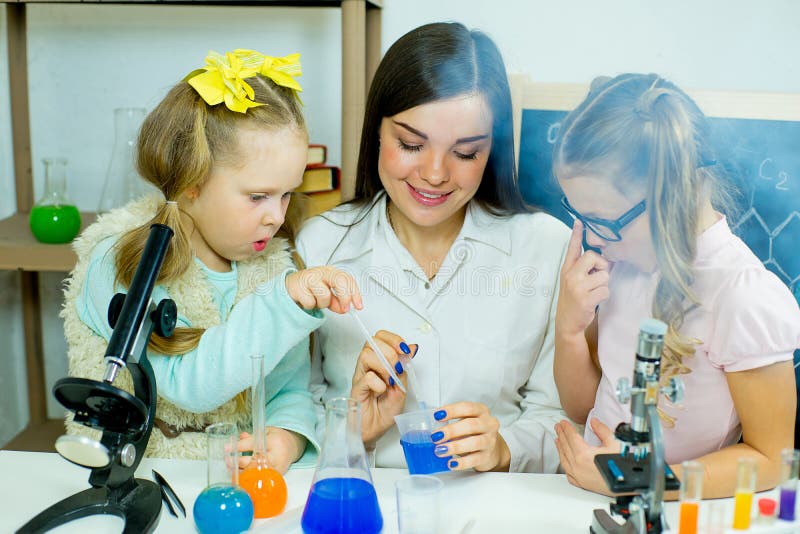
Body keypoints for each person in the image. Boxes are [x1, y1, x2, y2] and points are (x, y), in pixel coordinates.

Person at [61, 49, 362, 472]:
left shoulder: (271, 268)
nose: (277, 216)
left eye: (287, 193)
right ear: (191, 184)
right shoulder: (122, 261)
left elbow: (286, 391)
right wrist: (283, 304)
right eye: (258, 196)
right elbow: (189, 384)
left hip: (225, 485)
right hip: (131, 474)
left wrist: (287, 438)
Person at [296, 22, 571, 473]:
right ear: (377, 133)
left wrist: (505, 449)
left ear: (493, 151)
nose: (436, 174)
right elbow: (290, 416)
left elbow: (565, 415)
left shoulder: (546, 247)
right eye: (410, 144)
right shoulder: (320, 245)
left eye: (466, 153)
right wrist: (352, 429)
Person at [551, 73, 800, 497]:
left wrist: (636, 480)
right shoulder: (621, 264)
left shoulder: (740, 294)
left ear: (671, 198)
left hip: (671, 510)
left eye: (604, 222)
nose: (591, 240)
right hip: (586, 496)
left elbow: (772, 459)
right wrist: (569, 328)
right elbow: (581, 406)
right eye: (582, 218)